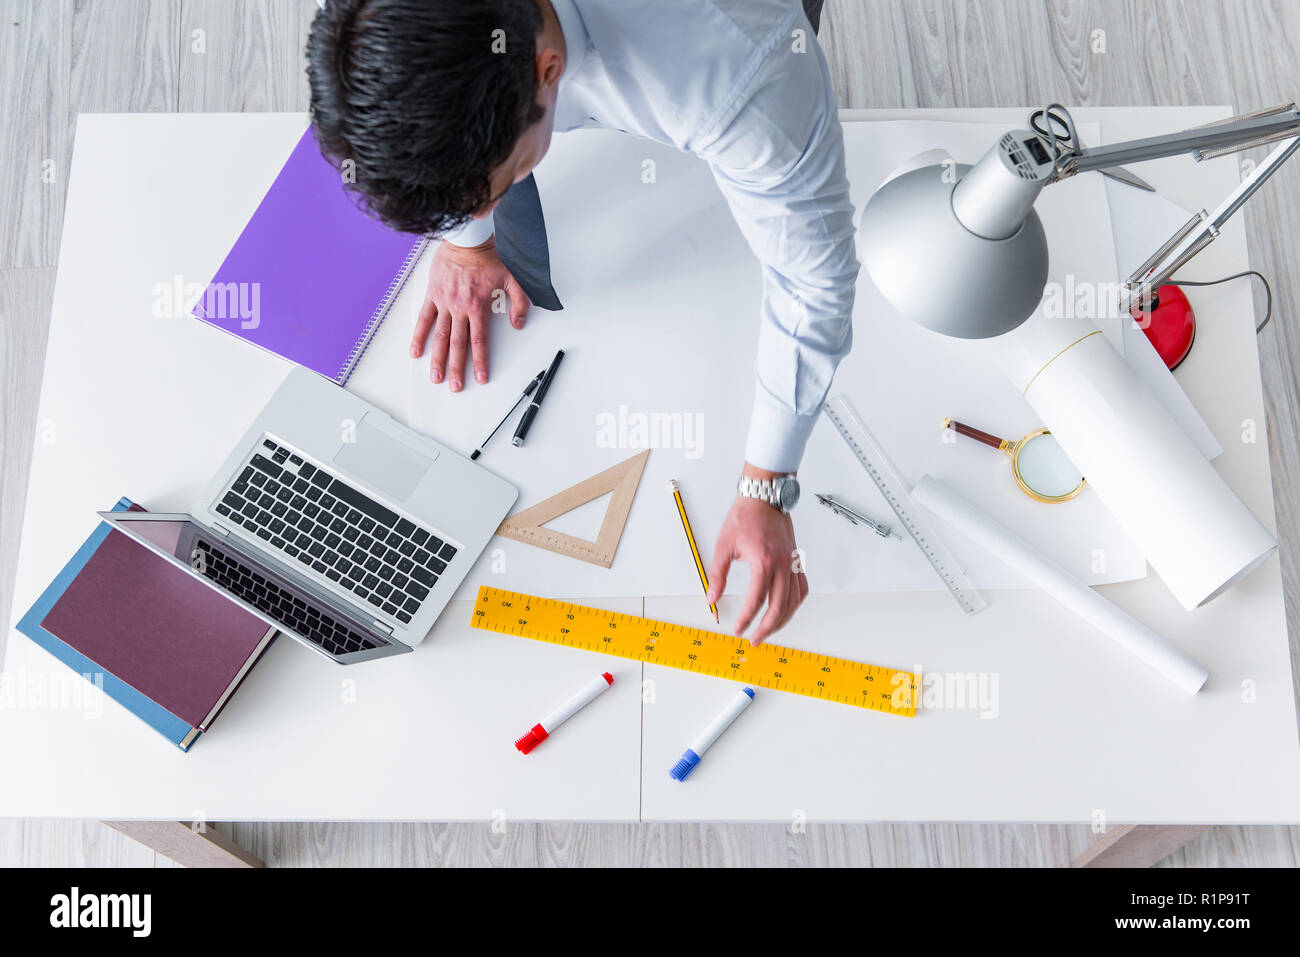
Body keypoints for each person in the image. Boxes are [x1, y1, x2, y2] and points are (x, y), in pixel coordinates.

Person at [306, 0, 857, 645]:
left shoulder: (742, 77)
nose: (488, 203)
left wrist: (767, 486)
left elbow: (812, 280)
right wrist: (464, 240)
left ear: (549, 70)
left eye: (504, 178)